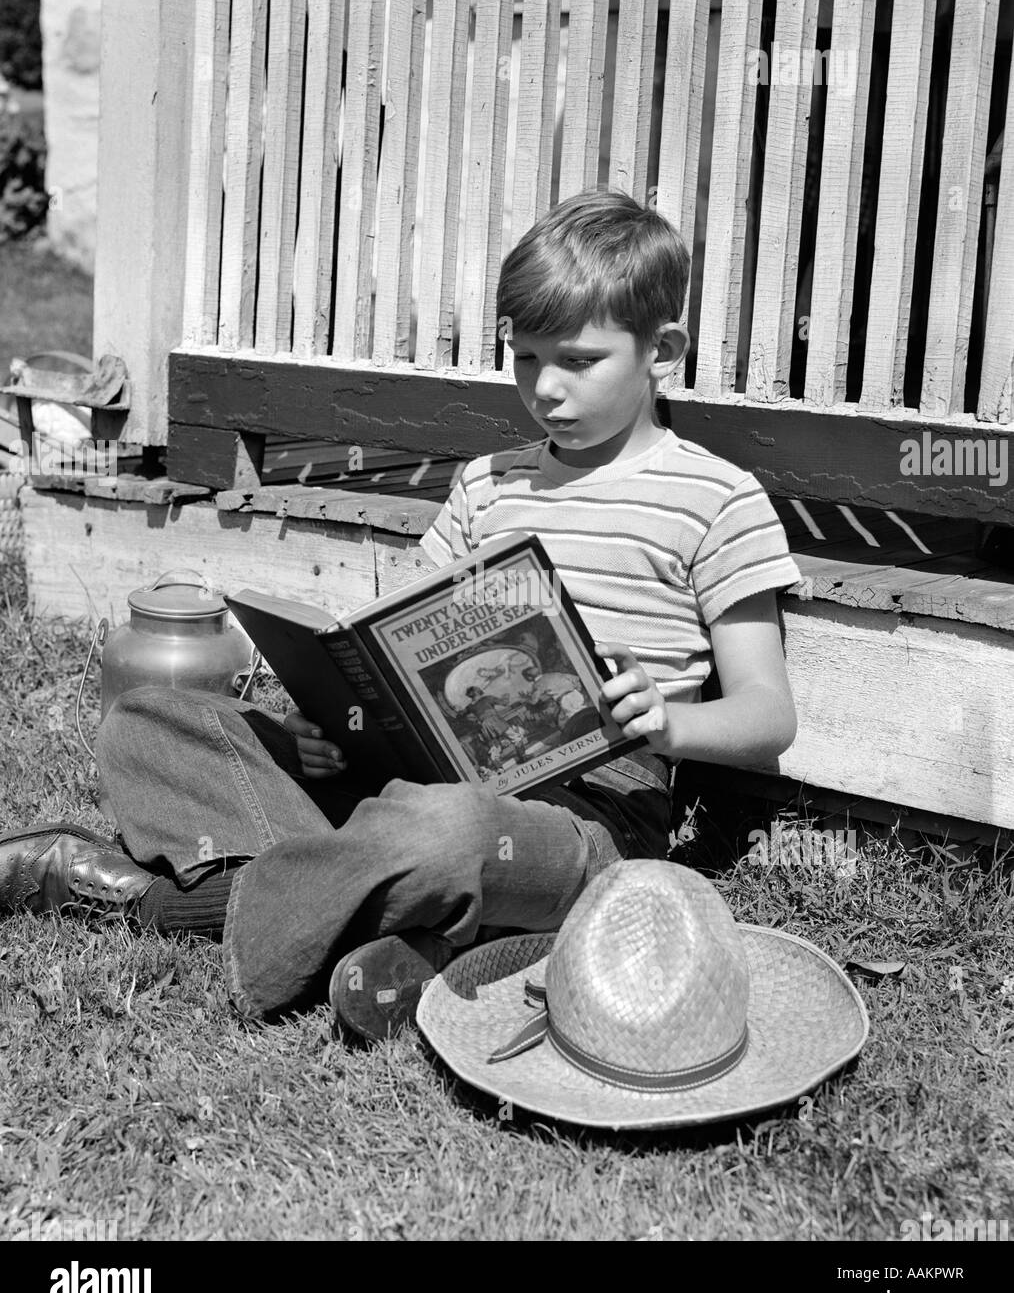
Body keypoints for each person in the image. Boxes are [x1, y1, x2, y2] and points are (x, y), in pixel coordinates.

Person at [0, 188, 801, 1039]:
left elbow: (769, 714)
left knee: (443, 831)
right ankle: (417, 936)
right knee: (149, 720)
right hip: (421, 776)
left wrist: (669, 725)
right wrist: (335, 722)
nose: (545, 389)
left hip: (588, 818)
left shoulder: (718, 498)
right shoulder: (490, 483)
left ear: (662, 350)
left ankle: (136, 896)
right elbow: (391, 646)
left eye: (577, 360)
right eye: (525, 358)